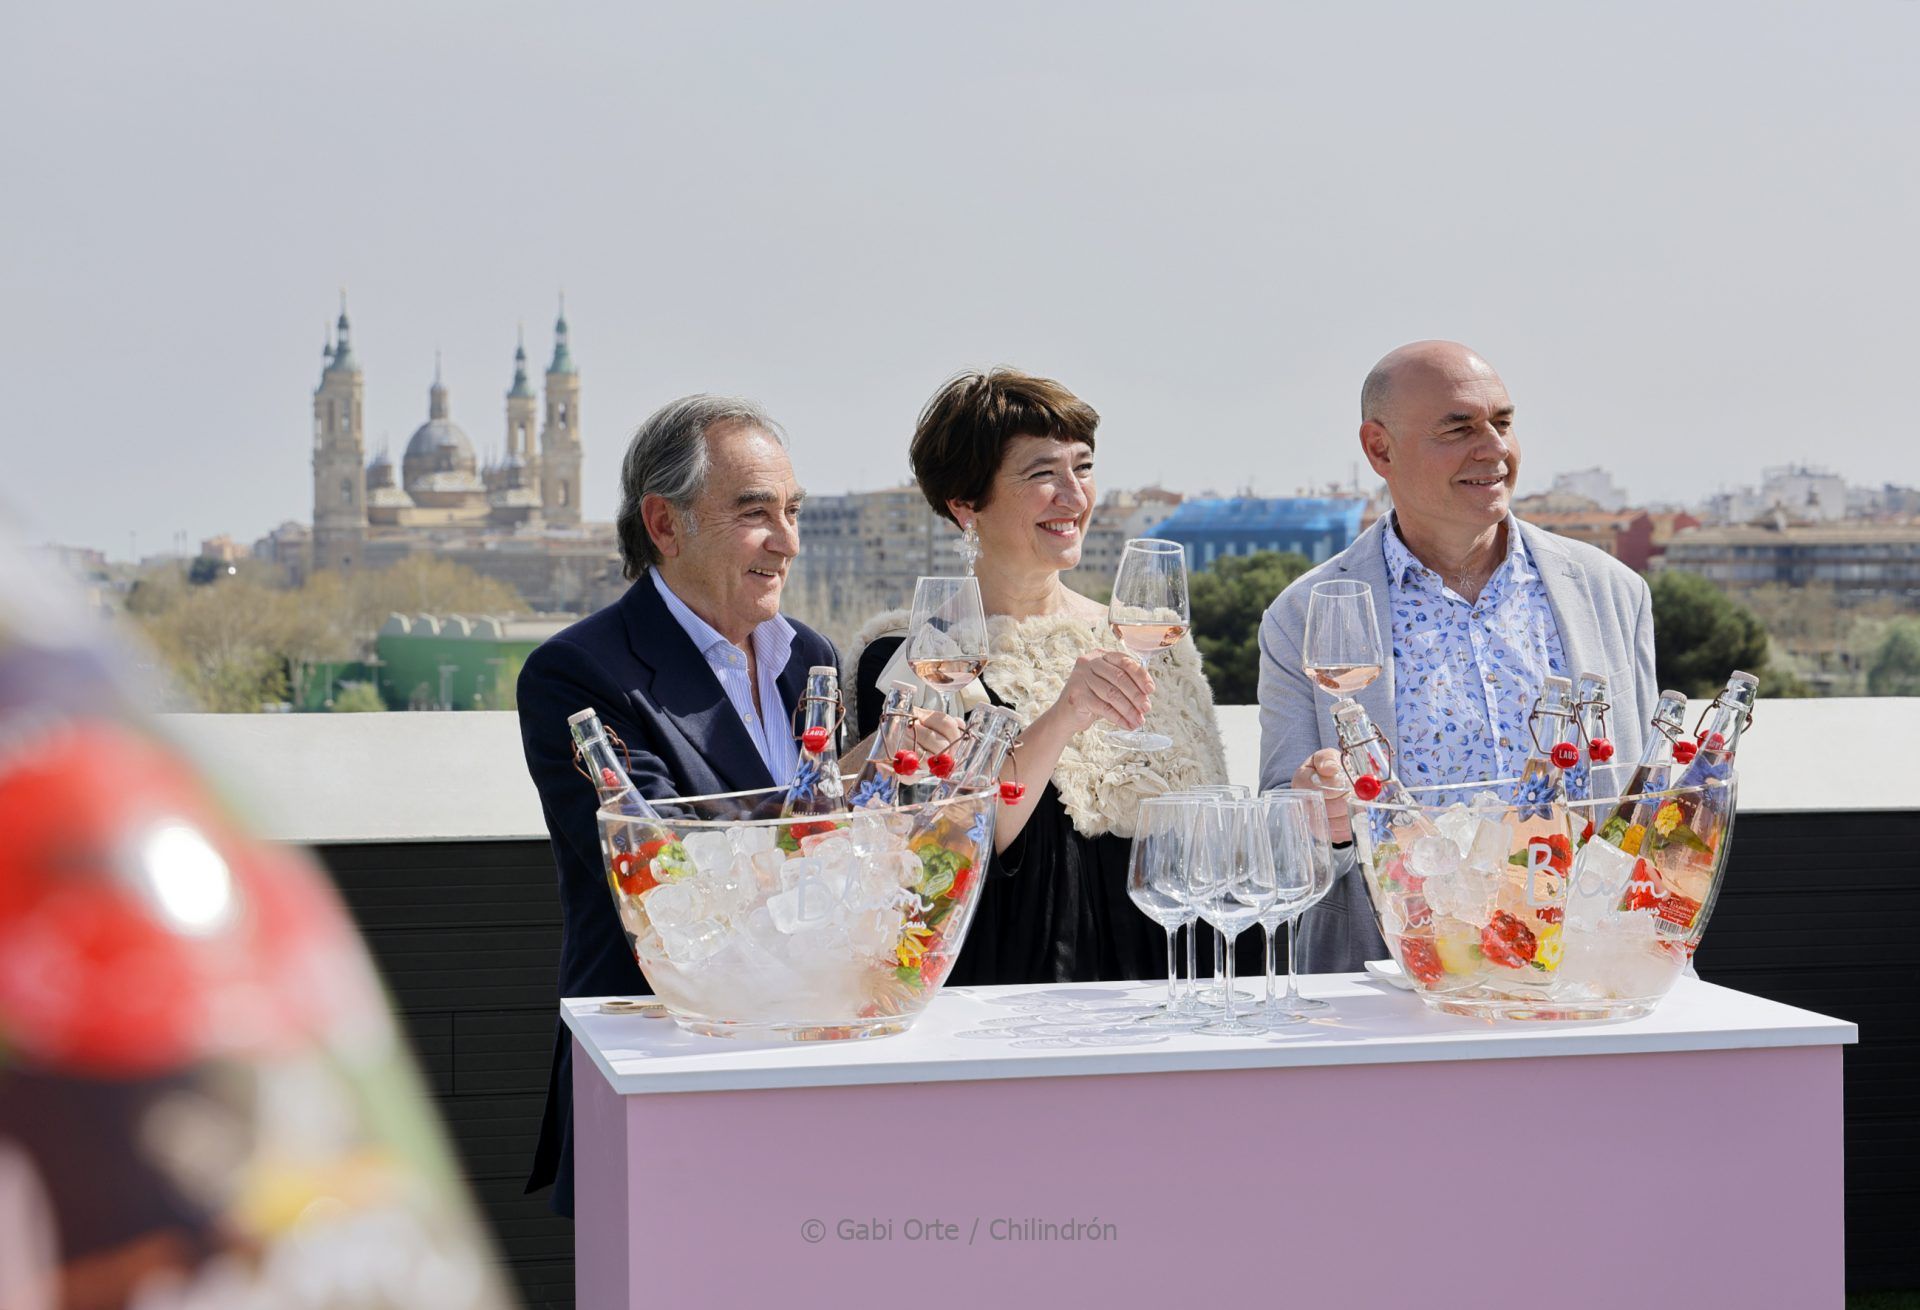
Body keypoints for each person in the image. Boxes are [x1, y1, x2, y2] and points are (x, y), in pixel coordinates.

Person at [515, 395, 955, 1218]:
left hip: (826, 1066)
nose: (787, 542)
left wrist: (903, 790)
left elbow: (844, 870)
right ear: (664, 523)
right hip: (668, 1080)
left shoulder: (809, 658)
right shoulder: (576, 675)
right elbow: (667, 875)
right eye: (756, 513)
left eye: (792, 512)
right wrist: (856, 773)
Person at [1258, 341, 1658, 975]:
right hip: (1392, 989)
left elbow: (1639, 802)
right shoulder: (1303, 615)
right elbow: (1282, 833)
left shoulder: (1612, 592)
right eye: (1459, 428)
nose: (1495, 448)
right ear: (1379, 449)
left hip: (1586, 978)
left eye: (1502, 422)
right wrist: (1313, 809)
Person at [851, 368, 1229, 986]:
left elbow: (1211, 829)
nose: (1074, 497)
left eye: (1082, 467)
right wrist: (1063, 717)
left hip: (1175, 984)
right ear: (965, 503)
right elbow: (951, 852)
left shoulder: (1155, 638)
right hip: (1025, 994)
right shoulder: (913, 656)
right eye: (1042, 474)